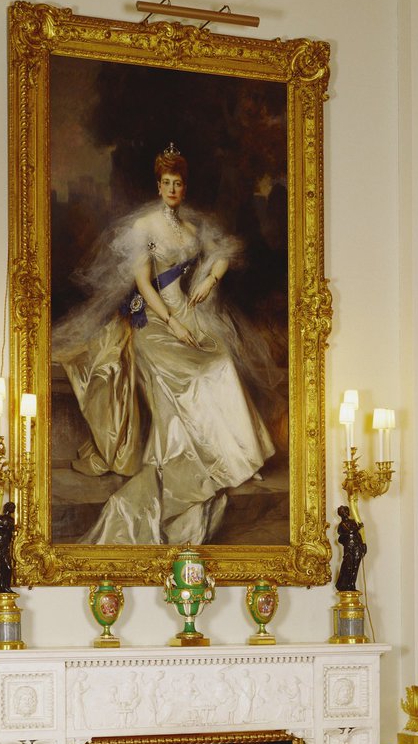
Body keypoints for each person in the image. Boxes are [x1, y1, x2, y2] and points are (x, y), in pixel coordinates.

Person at [53, 144, 275, 545]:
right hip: (154, 321)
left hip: (190, 314)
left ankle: (233, 456)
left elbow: (222, 252)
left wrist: (210, 280)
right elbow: (142, 282)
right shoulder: (145, 228)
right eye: (167, 183)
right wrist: (171, 324)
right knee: (188, 375)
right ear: (158, 186)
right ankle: (209, 460)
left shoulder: (192, 229)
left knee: (221, 362)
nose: (173, 189)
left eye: (178, 184)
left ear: (183, 189)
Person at [335, 505, 367, 592]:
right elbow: (349, 531)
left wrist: (363, 545)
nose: (344, 514)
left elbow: (359, 534)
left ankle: (352, 583)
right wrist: (358, 528)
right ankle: (345, 584)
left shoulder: (353, 522)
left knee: (356, 565)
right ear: (340, 514)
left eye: (345, 511)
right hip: (349, 547)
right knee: (348, 566)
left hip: (357, 545)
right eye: (342, 512)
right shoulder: (341, 525)